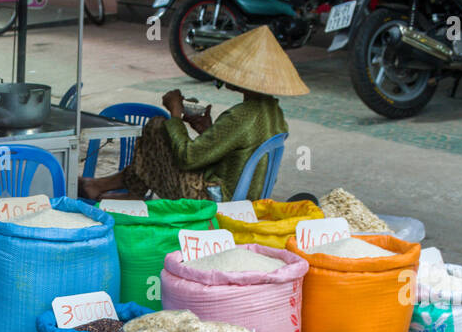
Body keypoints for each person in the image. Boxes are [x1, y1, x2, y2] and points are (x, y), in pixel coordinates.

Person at [78, 25, 308, 202]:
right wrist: (206, 129)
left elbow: (188, 158)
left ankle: (124, 191)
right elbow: (237, 152)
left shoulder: (242, 116)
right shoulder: (274, 113)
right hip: (243, 194)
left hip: (213, 198)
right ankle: (105, 187)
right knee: (160, 136)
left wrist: (176, 114)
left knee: (158, 127)